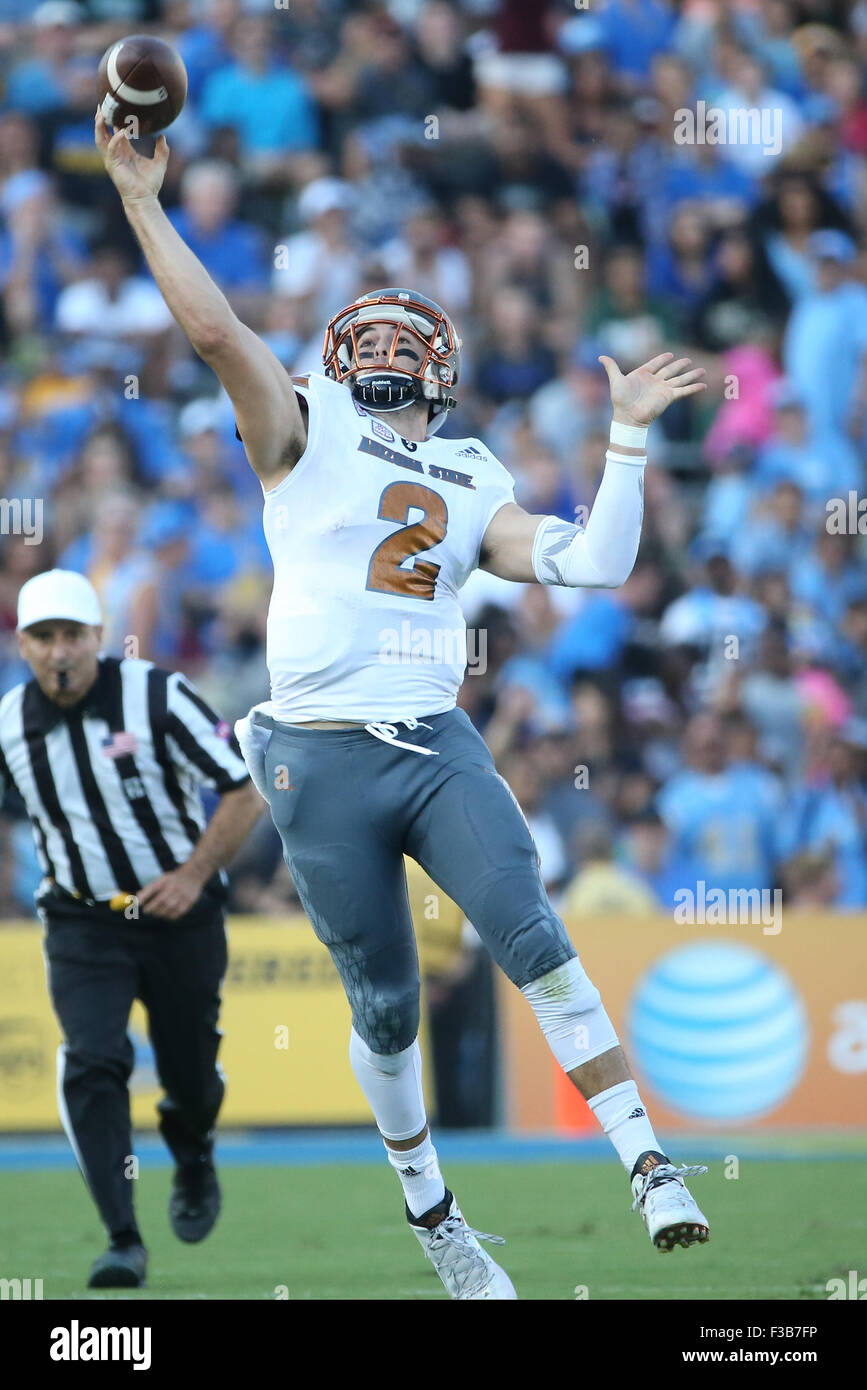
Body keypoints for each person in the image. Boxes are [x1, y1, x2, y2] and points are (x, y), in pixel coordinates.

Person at [95, 110, 711, 1301]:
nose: (377, 344)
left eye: (397, 330)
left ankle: (647, 1160)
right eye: (362, 329)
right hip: (317, 757)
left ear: (435, 364)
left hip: (431, 739)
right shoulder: (304, 428)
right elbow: (216, 328)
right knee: (384, 1011)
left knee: (531, 934)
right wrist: (139, 199)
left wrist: (627, 442)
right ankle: (439, 1221)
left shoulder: (473, 468)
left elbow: (590, 567)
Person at [0, 569, 263, 1289]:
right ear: (22, 645)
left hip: (181, 917)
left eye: (71, 636)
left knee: (189, 1073)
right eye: (43, 637)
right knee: (92, 1060)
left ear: (98, 637)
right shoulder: (8, 723)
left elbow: (244, 788)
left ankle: (194, 1150)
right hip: (83, 919)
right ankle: (122, 1237)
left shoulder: (157, 694)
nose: (59, 653)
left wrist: (190, 874)